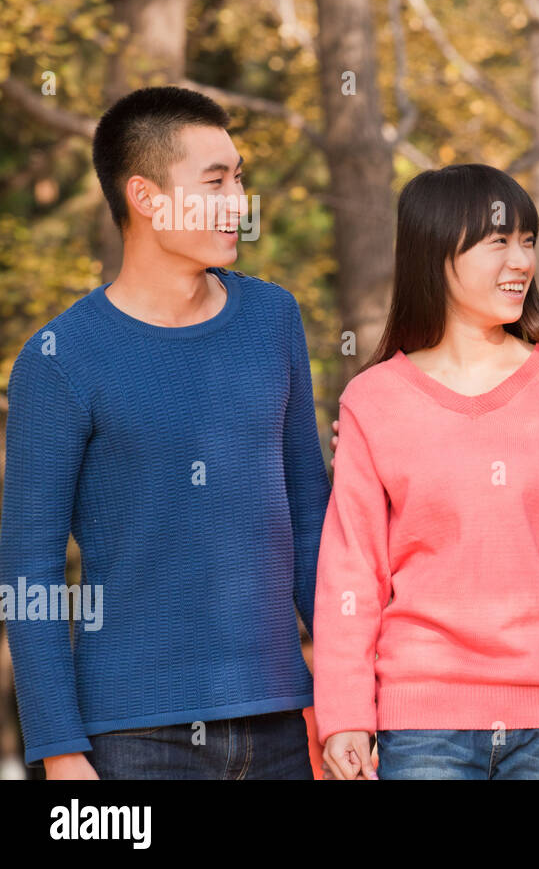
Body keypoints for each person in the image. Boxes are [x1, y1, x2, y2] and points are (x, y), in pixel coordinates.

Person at [0, 85, 330, 779]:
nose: (239, 201)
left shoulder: (274, 319)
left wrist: (352, 693)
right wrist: (60, 753)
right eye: (216, 181)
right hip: (131, 740)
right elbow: (29, 574)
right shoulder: (59, 359)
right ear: (147, 197)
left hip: (281, 721)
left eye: (239, 178)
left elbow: (310, 523)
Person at [313, 164, 539, 780]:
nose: (520, 261)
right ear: (435, 251)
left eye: (527, 241)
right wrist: (344, 712)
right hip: (421, 721)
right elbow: (351, 570)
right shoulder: (374, 400)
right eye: (498, 242)